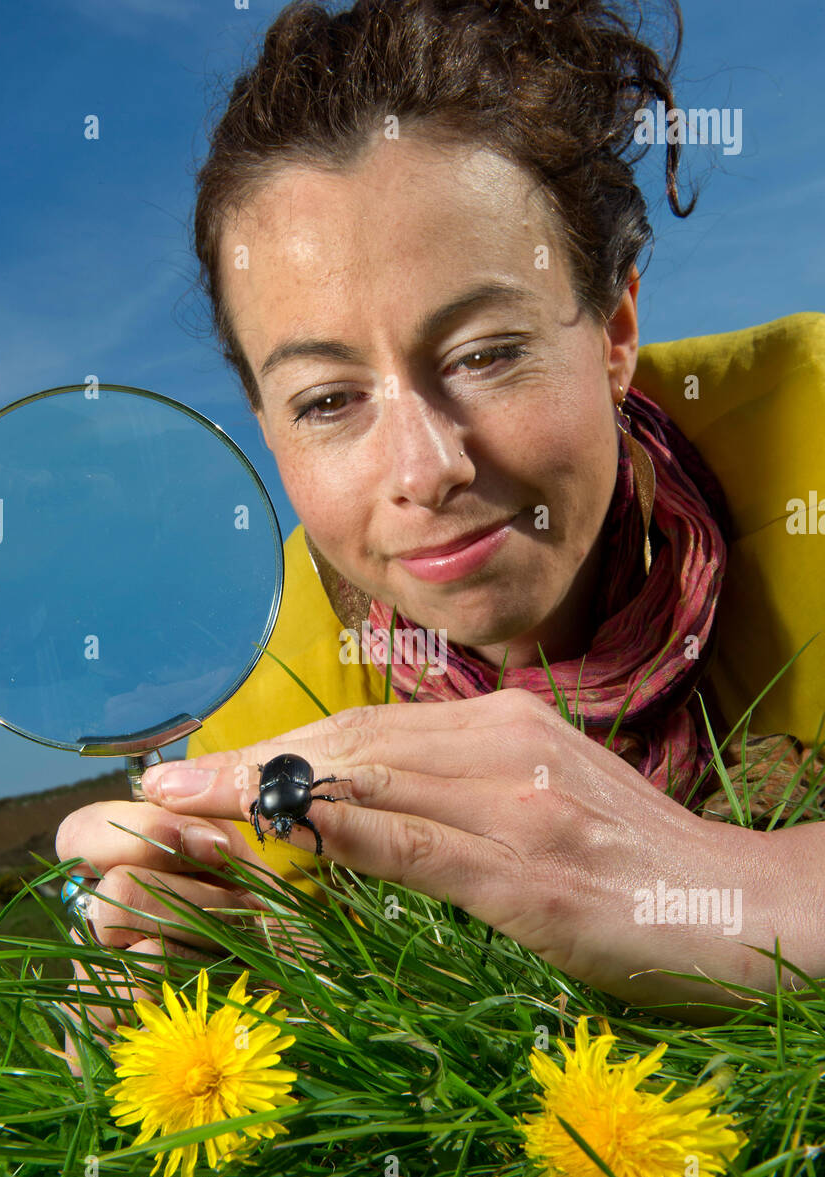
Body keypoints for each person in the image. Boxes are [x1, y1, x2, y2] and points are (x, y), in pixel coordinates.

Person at [55, 0, 825, 1063]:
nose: (426, 469)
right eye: (327, 401)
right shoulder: (268, 711)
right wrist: (160, 1021)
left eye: (485, 353)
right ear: (272, 438)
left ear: (614, 332)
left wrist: (741, 887)